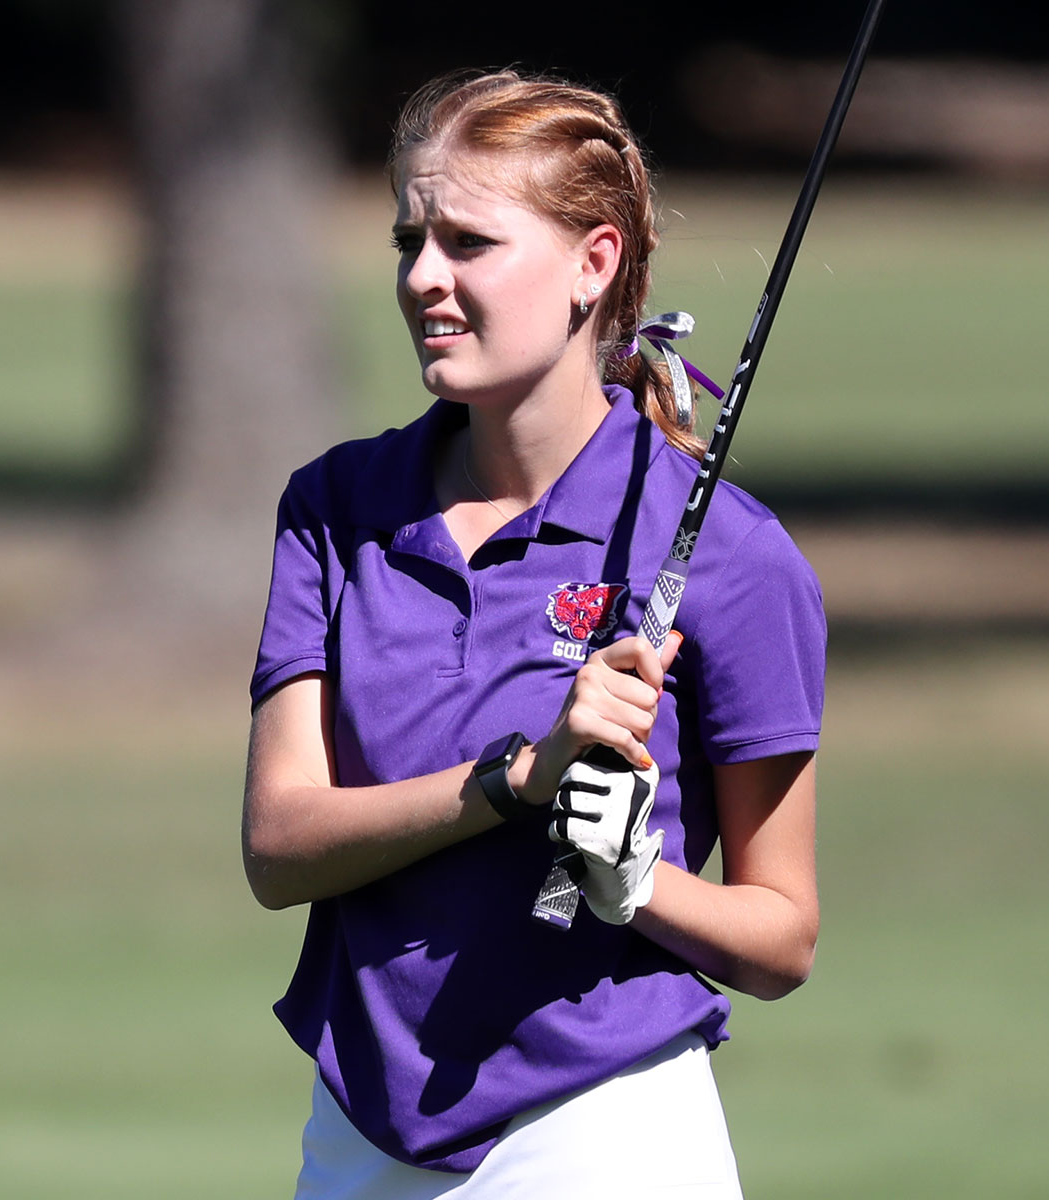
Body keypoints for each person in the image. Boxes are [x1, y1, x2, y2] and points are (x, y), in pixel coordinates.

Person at [244, 70, 826, 1199]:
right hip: (361, 1127)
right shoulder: (334, 507)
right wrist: (516, 779)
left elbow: (783, 935)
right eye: (410, 238)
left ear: (593, 264)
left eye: (469, 241)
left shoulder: (734, 556)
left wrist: (637, 881)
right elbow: (279, 845)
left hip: (598, 1132)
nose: (424, 278)